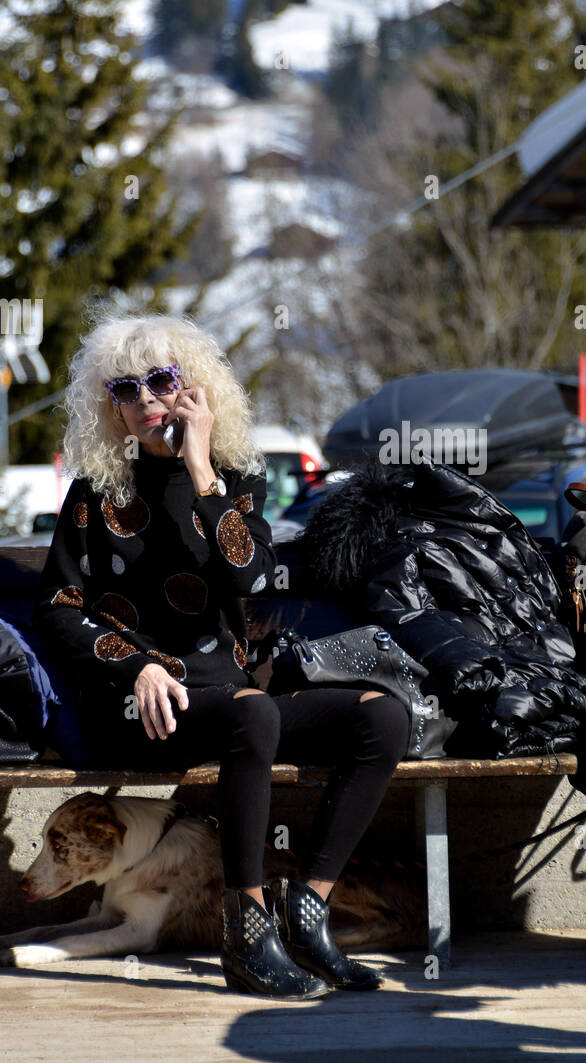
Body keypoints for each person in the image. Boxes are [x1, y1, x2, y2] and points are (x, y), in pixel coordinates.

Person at [34, 305, 411, 999]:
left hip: (230, 701)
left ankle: (307, 906)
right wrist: (135, 664)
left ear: (193, 386)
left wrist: (201, 464)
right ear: (108, 405)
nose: (145, 400)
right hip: (137, 706)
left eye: (160, 380)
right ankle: (247, 931)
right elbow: (58, 607)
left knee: (382, 718)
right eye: (125, 390)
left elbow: (251, 577)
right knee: (254, 717)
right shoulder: (95, 493)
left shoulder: (234, 477)